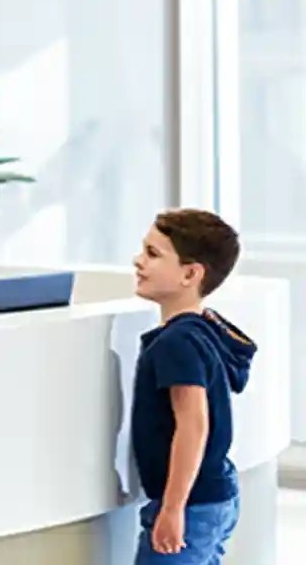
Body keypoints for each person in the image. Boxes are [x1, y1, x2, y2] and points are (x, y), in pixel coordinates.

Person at [130, 208, 258, 564]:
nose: (138, 261)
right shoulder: (204, 329)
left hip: (192, 502)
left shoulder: (178, 343)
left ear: (190, 273)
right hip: (215, 494)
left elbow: (193, 425)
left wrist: (172, 508)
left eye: (153, 254)